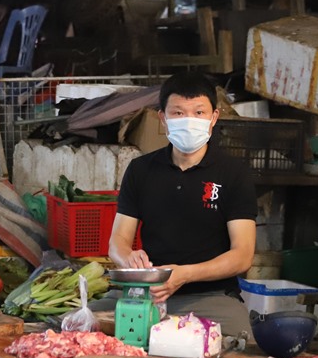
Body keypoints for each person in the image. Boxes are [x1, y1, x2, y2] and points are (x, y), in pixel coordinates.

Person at [103, 71, 257, 336]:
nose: (189, 121)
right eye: (178, 113)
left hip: (212, 297)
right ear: (162, 119)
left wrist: (185, 274)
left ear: (213, 119)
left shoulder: (234, 173)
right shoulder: (141, 170)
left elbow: (242, 256)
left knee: (239, 345)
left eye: (198, 113)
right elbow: (117, 242)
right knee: (78, 324)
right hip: (146, 294)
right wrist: (128, 259)